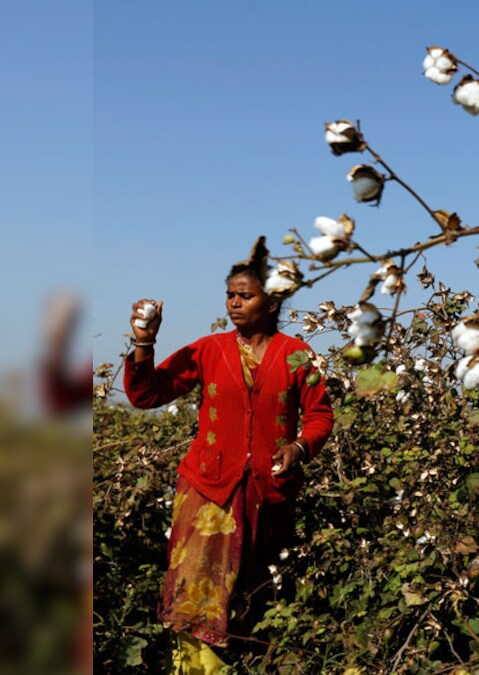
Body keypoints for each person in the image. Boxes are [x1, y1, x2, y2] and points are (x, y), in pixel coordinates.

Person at [124, 238, 332, 672]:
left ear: (272, 302)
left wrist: (299, 446)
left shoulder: (298, 355)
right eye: (230, 296)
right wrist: (145, 343)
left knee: (254, 594)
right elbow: (146, 394)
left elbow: (320, 416)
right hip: (207, 488)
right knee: (193, 587)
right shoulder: (209, 350)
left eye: (245, 296)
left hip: (268, 493)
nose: (235, 304)